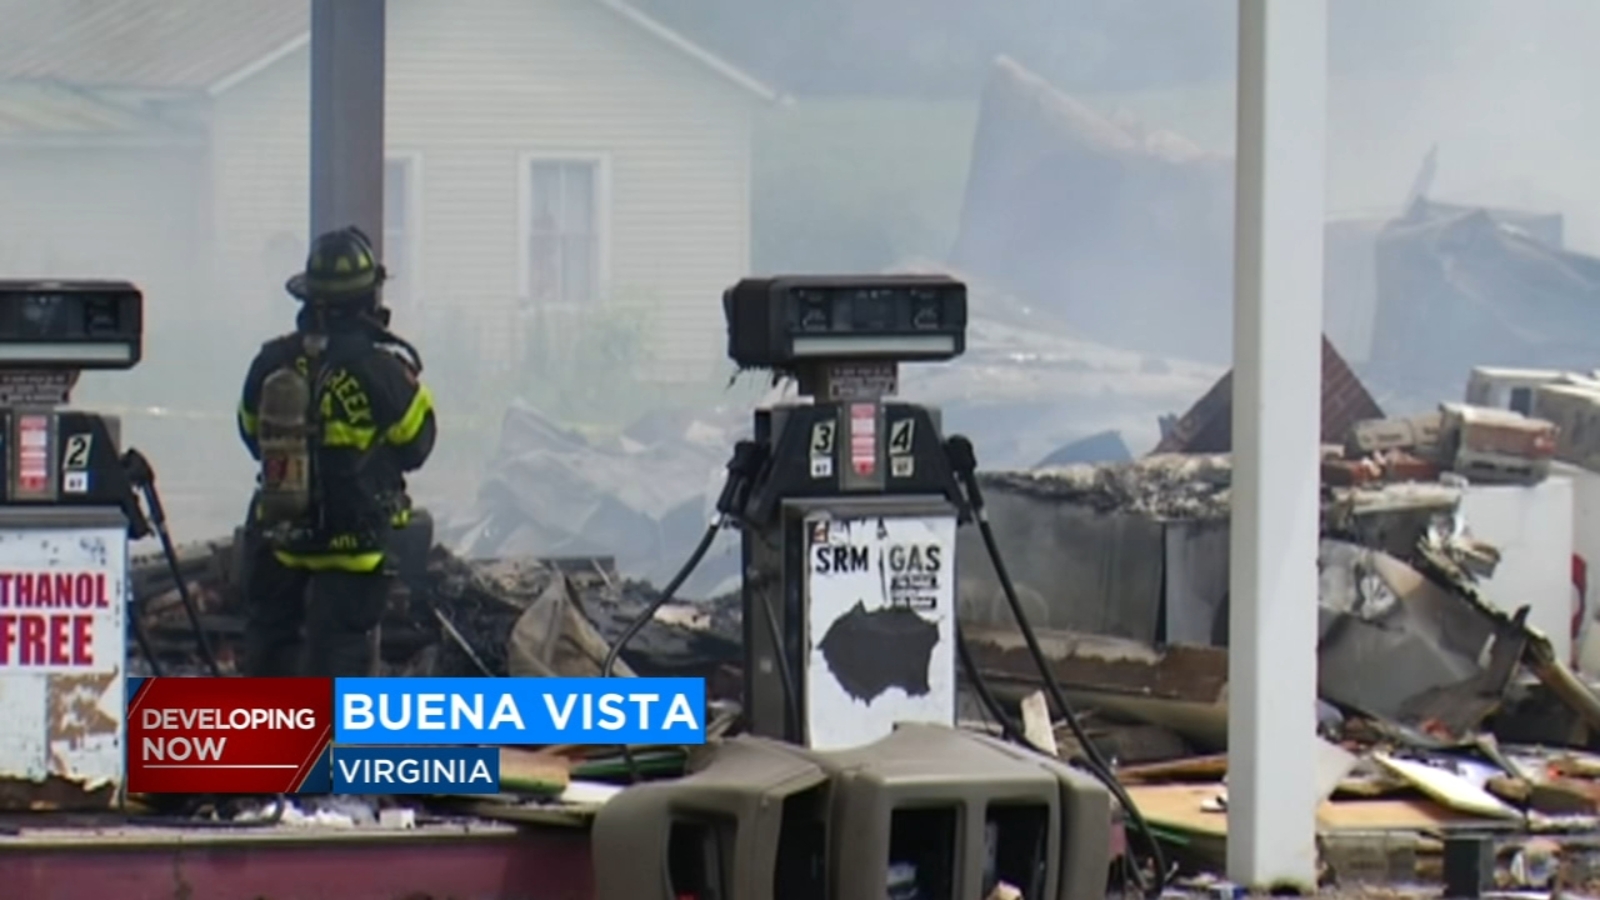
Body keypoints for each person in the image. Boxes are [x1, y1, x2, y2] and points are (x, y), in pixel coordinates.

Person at [235, 226, 437, 677]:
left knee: (271, 643)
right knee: (340, 651)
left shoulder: (271, 362)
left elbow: (251, 434)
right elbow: (417, 446)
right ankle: (331, 741)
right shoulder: (384, 370)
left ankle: (272, 739)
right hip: (355, 544)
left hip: (281, 535)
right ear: (367, 298)